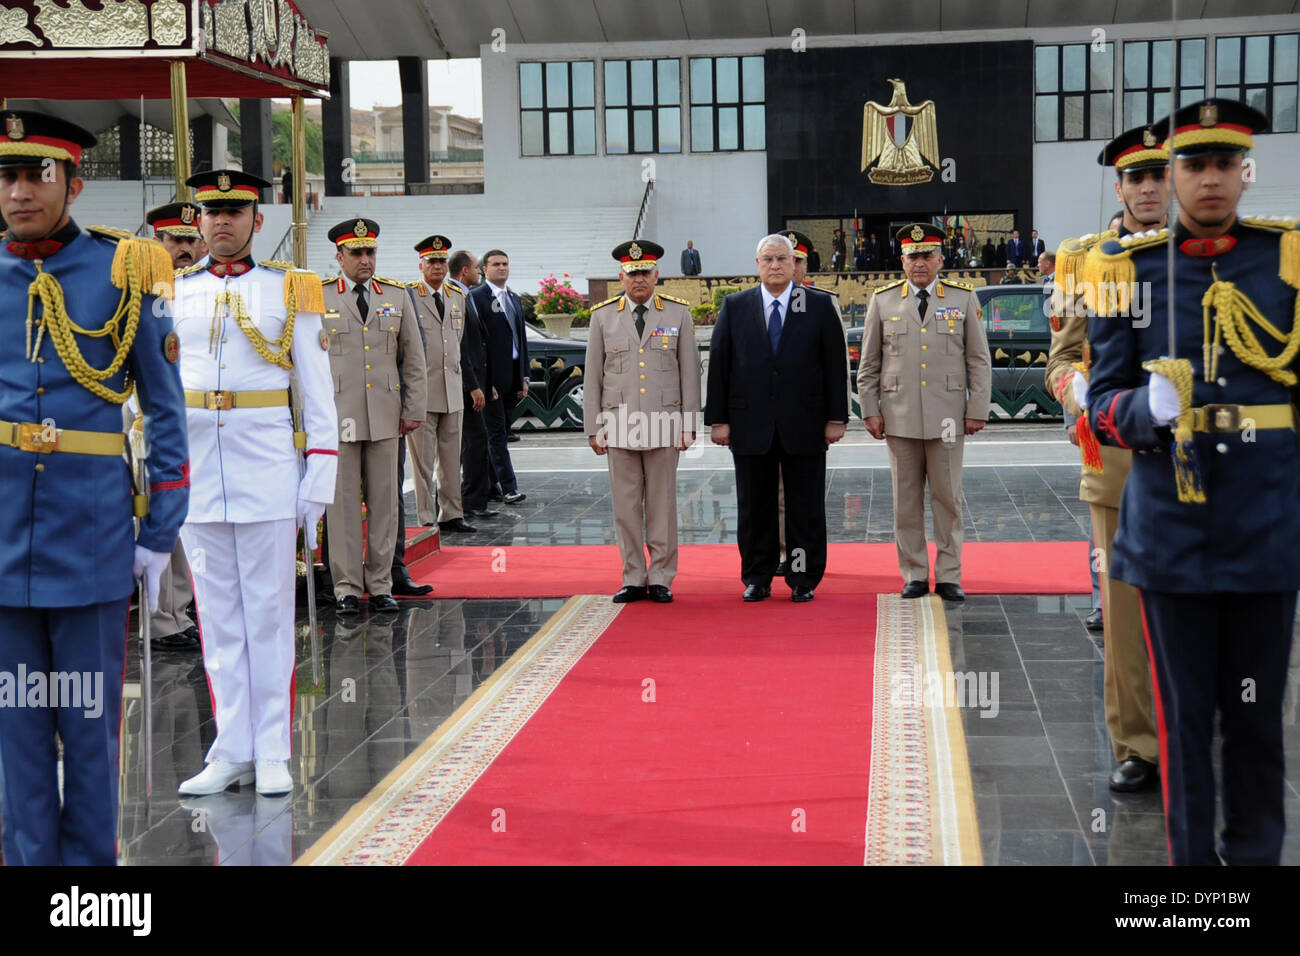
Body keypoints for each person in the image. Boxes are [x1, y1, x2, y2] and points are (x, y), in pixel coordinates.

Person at [1085, 99, 1298, 865]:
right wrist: (1143, 410)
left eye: (1223, 164)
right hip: (1171, 529)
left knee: (1256, 718)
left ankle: (1254, 860)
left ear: (1246, 171)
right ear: (1172, 176)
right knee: (1182, 720)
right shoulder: (1126, 270)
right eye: (1194, 165)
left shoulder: (1287, 260)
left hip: (1265, 523)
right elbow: (1100, 403)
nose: (1210, 179)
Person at [0, 110, 188, 864]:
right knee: (16, 726)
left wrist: (159, 531)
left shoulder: (126, 270)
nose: (18, 193)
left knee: (87, 726)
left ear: (73, 184)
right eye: (6, 177)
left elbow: (165, 409)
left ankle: (84, 889)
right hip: (3, 536)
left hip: (91, 533)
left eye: (34, 176)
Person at [172, 169, 337, 798]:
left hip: (266, 470)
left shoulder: (289, 288)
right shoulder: (173, 290)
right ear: (198, 220)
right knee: (217, 620)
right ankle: (231, 748)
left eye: (235, 211)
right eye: (212, 211)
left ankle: (272, 748)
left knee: (268, 615)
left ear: (256, 220)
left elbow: (316, 391)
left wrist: (318, 477)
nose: (222, 221)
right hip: (196, 474)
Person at [1045, 123, 1168, 795]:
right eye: (1135, 178)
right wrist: (1083, 402)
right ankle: (1137, 744)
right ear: (1118, 187)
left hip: (1201, 458)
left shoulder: (1206, 254)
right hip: (1111, 447)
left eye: (1158, 174)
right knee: (1122, 610)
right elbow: (1062, 359)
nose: (1148, 187)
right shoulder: (1085, 260)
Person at [706, 234, 847, 603]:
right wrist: (718, 420)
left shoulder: (817, 305)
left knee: (804, 507)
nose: (775, 265)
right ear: (757, 264)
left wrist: (837, 417)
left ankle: (802, 578)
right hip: (750, 425)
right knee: (755, 506)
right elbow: (720, 366)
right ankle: (758, 576)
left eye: (783, 258)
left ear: (794, 263)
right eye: (768, 259)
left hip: (805, 424)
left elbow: (834, 365)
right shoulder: (736, 306)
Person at [858, 223, 991, 602]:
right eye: (912, 256)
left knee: (948, 500)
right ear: (902, 261)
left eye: (927, 255)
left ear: (940, 260)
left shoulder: (963, 298)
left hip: (948, 417)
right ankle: (914, 573)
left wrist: (977, 408)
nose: (919, 263)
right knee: (906, 502)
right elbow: (869, 364)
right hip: (899, 417)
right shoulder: (883, 301)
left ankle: (949, 574)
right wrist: (869, 410)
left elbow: (978, 359)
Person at [320, 218, 426, 616]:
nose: (365, 259)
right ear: (340, 257)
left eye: (370, 252)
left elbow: (413, 359)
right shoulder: (320, 296)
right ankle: (347, 587)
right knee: (342, 506)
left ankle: (380, 584)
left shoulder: (396, 296)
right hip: (338, 416)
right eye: (356, 253)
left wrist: (413, 410)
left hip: (386, 415)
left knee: (385, 503)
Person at [584, 240, 700, 603]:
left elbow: (689, 372)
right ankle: (633, 576)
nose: (639, 279)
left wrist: (689, 424)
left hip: (664, 423)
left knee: (662, 506)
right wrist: (593, 428)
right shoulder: (603, 317)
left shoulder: (677, 314)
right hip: (619, 424)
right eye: (632, 273)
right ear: (621, 277)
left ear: (656, 275)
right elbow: (593, 376)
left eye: (645, 272)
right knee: (626, 505)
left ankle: (661, 576)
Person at [131, 201, 208, 652]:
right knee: (163, 519)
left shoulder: (204, 291)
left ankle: (178, 610)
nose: (184, 248)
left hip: (196, 421)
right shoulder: (140, 292)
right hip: (153, 422)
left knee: (187, 519)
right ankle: (161, 619)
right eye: (174, 239)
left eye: (190, 240)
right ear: (156, 241)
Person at [408, 235, 477, 534]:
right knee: (422, 462)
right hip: (423, 391)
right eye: (431, 261)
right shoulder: (409, 295)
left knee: (450, 458)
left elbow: (458, 343)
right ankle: (425, 516)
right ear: (421, 265)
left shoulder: (457, 295)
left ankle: (451, 513)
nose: (437, 266)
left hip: (452, 388)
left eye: (441, 261)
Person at [469, 249, 528, 505]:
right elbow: (478, 343)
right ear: (485, 269)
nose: (502, 268)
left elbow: (521, 338)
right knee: (496, 435)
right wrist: (486, 381)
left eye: (505, 263)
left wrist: (524, 375)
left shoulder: (513, 297)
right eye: (496, 264)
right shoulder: (476, 297)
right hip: (491, 378)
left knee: (501, 432)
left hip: (512, 375)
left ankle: (490, 485)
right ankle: (508, 487)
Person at [449, 249, 497, 521]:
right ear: (464, 270)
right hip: (465, 385)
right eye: (477, 267)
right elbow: (462, 347)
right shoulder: (455, 297)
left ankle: (475, 499)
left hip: (476, 381)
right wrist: (473, 386)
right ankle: (471, 501)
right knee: (473, 442)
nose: (479, 271)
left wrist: (486, 384)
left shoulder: (466, 296)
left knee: (476, 441)